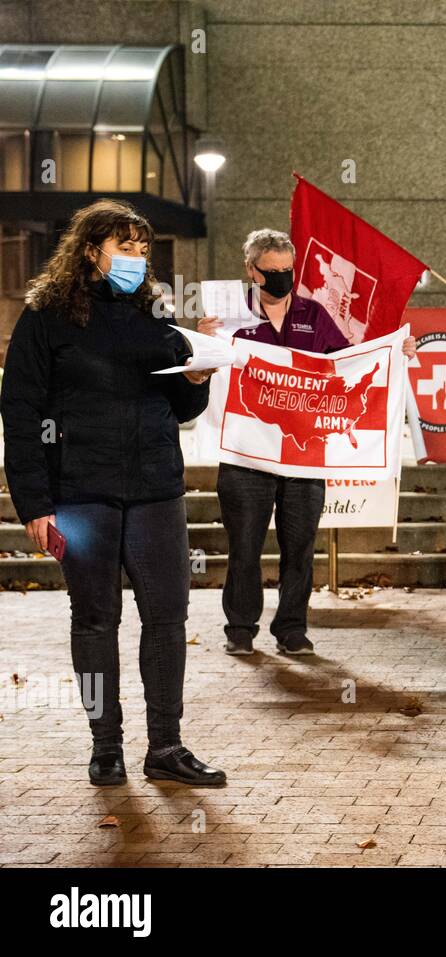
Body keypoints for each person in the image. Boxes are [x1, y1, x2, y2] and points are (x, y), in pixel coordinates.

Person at [0, 199, 225, 787]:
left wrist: (196, 378)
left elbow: (180, 406)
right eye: (126, 246)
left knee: (168, 616)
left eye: (144, 248)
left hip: (155, 488)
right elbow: (20, 413)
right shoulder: (46, 315)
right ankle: (106, 746)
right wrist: (34, 503)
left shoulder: (156, 312)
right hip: (81, 494)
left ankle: (166, 746)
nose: (137, 258)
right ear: (91, 249)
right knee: (96, 620)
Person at [197, 229, 416, 656]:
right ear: (250, 270)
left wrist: (394, 351)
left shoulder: (314, 315)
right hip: (246, 455)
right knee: (244, 546)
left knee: (299, 546)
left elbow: (349, 364)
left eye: (287, 271)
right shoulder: (226, 318)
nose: (280, 278)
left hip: (304, 455)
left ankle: (292, 629)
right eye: (271, 271)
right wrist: (205, 338)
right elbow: (201, 370)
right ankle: (240, 629)